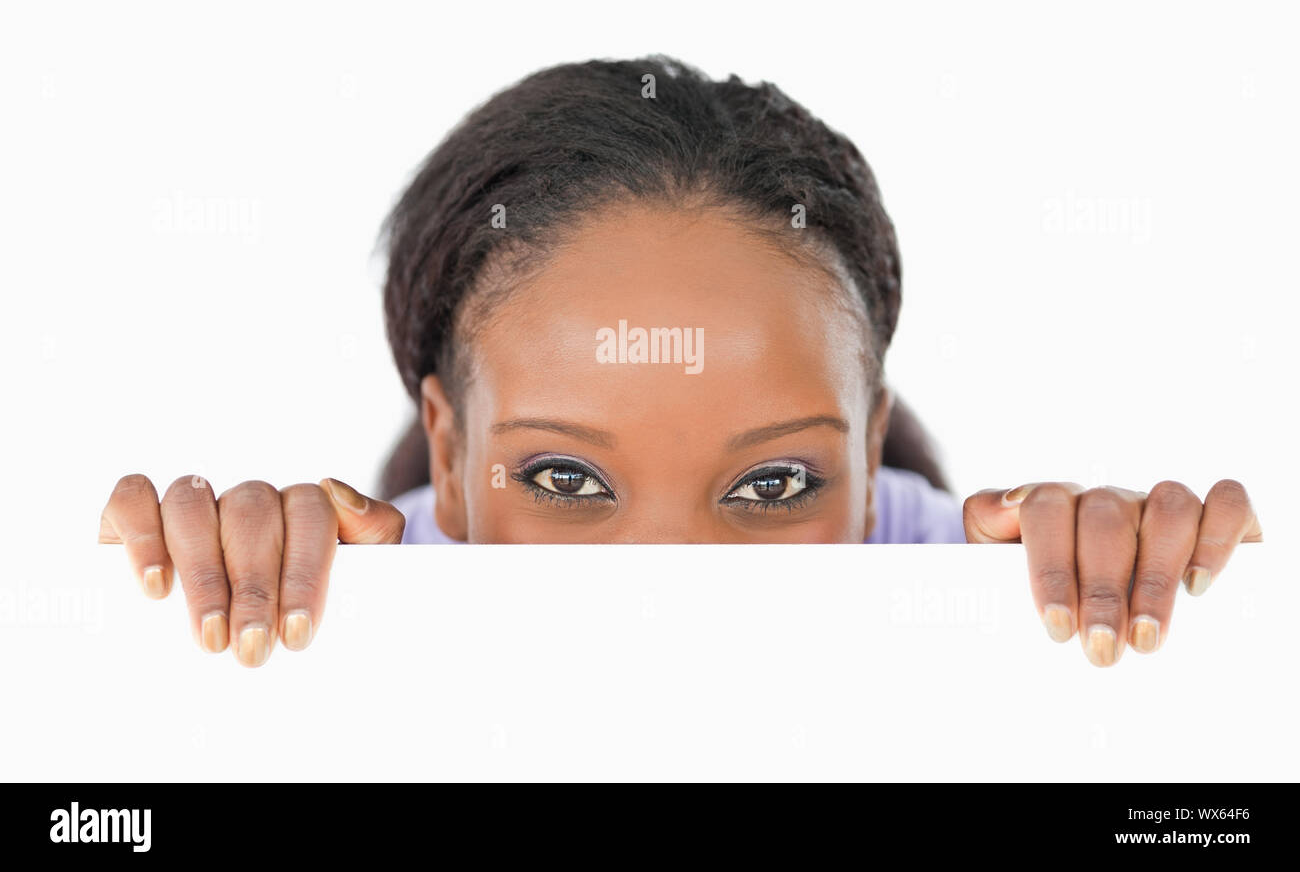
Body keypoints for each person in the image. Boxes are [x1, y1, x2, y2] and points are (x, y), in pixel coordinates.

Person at [98, 57, 1262, 669]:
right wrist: (184, 605)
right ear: (449, 457)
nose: (670, 589)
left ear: (866, 450)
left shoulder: (997, 585)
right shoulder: (342, 592)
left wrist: (1168, 592)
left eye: (774, 484)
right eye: (563, 479)